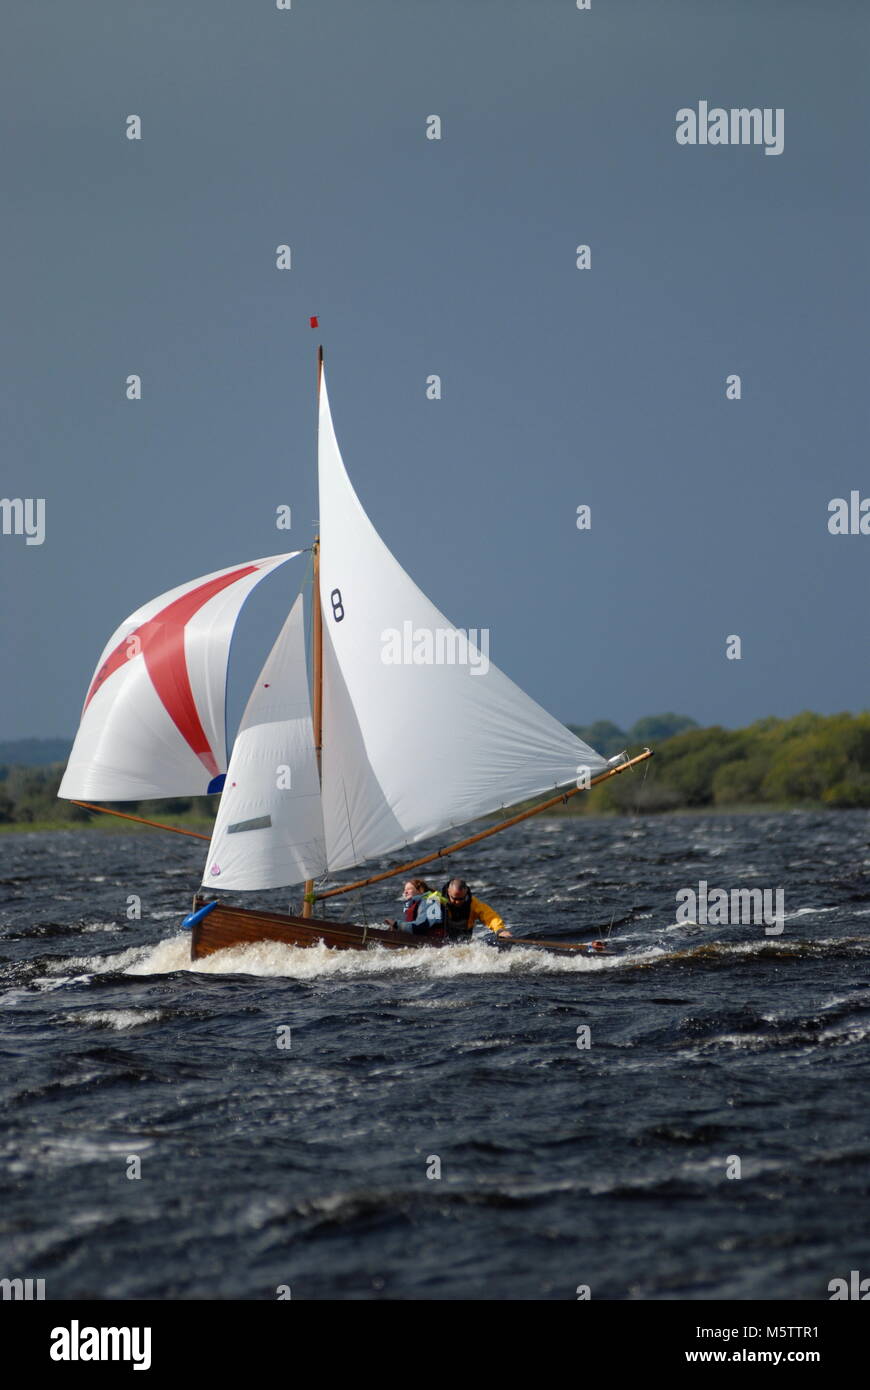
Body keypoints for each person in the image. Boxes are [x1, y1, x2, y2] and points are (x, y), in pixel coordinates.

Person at [434, 877, 512, 939]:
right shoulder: (436, 900)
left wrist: (500, 930)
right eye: (454, 899)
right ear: (448, 891)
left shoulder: (474, 904)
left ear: (466, 892)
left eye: (461, 899)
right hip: (439, 939)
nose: (457, 902)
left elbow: (490, 917)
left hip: (464, 943)